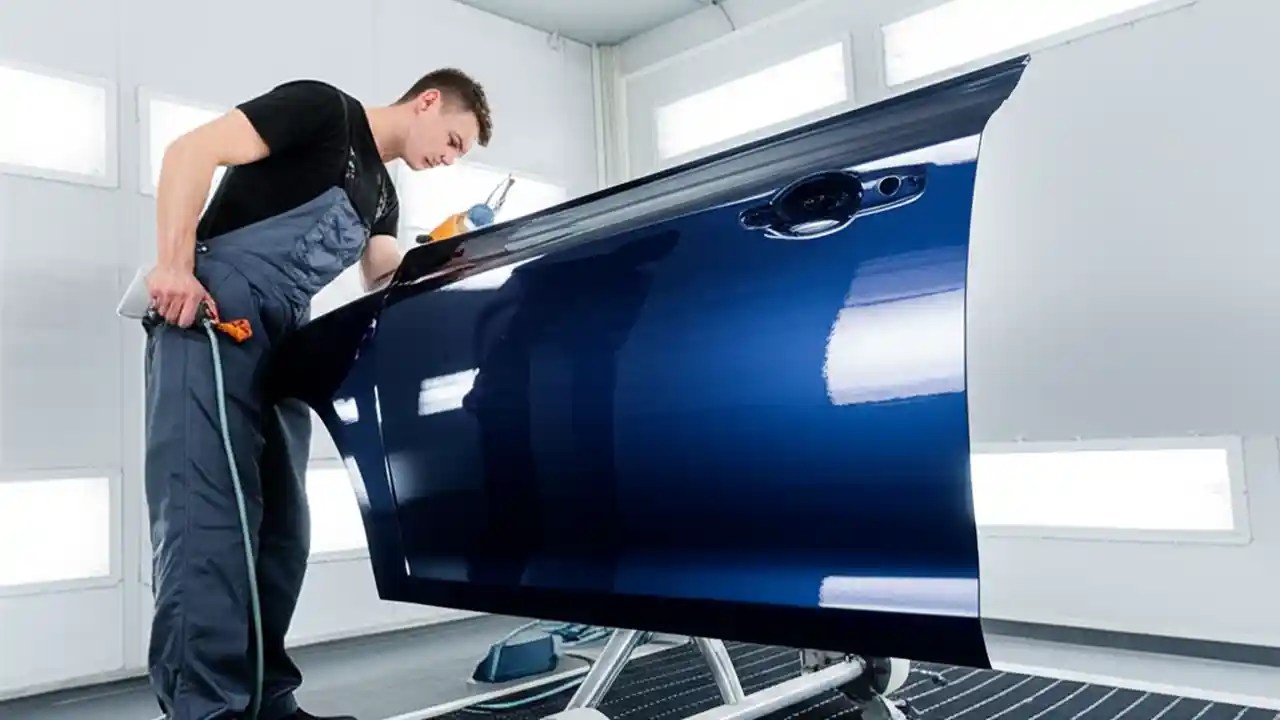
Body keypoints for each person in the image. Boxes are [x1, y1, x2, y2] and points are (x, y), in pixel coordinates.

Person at [141, 68, 494, 720]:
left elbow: (383, 276)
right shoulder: (323, 111)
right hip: (214, 312)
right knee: (210, 520)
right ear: (427, 101)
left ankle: (269, 700)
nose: (447, 160)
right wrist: (174, 266)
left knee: (283, 528)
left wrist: (448, 255)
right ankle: (206, 708)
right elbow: (190, 151)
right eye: (452, 140)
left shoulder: (384, 199)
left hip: (281, 338)